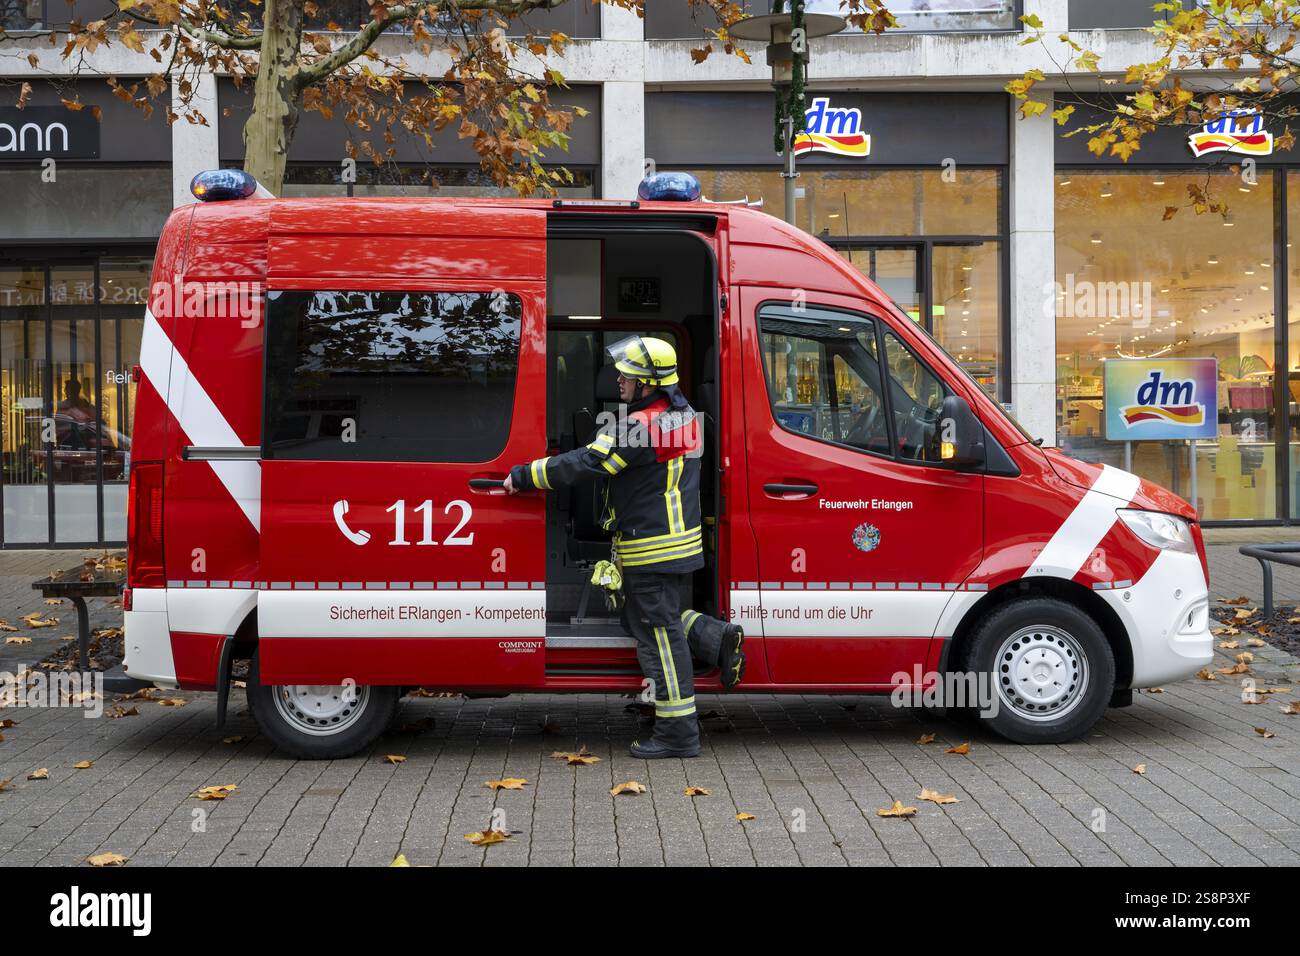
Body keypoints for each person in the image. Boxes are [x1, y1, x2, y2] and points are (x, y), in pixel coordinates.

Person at [504, 335, 744, 759]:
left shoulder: (639, 427)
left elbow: (588, 462)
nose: (619, 379)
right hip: (674, 546)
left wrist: (524, 476)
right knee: (647, 619)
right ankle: (712, 635)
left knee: (659, 636)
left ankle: (678, 734)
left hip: (651, 549)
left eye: (627, 374)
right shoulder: (683, 417)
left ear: (648, 382)